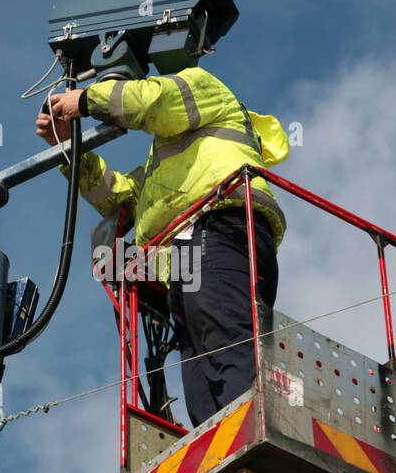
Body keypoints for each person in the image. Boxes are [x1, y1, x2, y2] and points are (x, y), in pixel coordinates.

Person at [35, 64, 288, 427]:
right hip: (188, 255)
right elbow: (117, 200)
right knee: (199, 376)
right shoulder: (164, 165)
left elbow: (154, 100)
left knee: (225, 339)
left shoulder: (204, 87)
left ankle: (253, 432)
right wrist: (70, 148)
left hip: (220, 226)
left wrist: (90, 99)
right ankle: (221, 450)